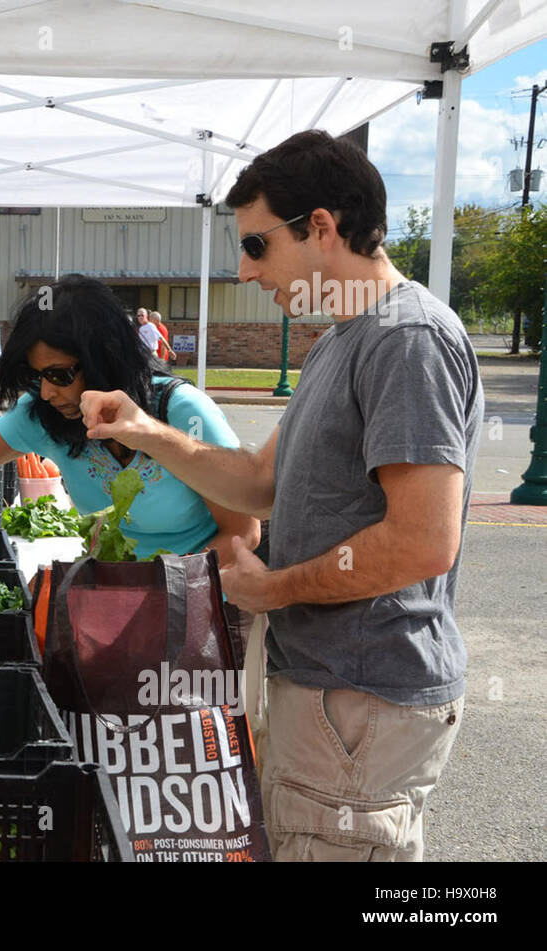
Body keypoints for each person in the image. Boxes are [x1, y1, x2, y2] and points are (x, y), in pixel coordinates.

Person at [81, 130, 482, 862]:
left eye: (257, 245)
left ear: (321, 228)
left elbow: (424, 539)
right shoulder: (344, 339)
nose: (243, 269)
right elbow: (261, 482)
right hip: (331, 698)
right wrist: (144, 430)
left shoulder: (406, 338)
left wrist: (273, 589)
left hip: (357, 700)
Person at [0, 275, 258, 571]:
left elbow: (243, 532)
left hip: (207, 602)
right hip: (118, 599)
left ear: (104, 360)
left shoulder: (183, 412)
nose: (48, 392)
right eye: (37, 377)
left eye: (60, 374)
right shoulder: (41, 413)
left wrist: (162, 589)